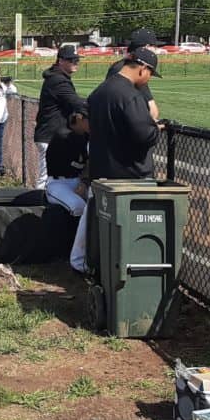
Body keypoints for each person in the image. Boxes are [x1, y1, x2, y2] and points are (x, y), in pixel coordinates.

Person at [70, 47, 163, 274]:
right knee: (125, 227)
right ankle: (116, 269)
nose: (149, 79)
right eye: (150, 74)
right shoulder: (130, 95)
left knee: (98, 222)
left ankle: (88, 264)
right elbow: (143, 135)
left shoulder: (101, 90)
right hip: (128, 175)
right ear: (143, 69)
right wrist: (156, 130)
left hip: (102, 169)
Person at [33, 45, 86, 190]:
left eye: (76, 60)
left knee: (52, 177)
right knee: (46, 179)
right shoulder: (58, 80)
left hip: (52, 135)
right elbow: (75, 102)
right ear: (60, 61)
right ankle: (38, 209)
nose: (75, 63)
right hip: (50, 136)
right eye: (71, 60)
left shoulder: (58, 77)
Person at [106, 29, 162, 121]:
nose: (156, 50)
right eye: (154, 46)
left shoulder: (118, 66)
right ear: (146, 47)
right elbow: (152, 109)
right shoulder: (133, 70)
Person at [45, 110, 89, 221]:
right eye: (89, 119)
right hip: (58, 184)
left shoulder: (86, 135)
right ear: (79, 118)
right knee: (78, 206)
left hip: (80, 181)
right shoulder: (63, 135)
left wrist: (84, 182)